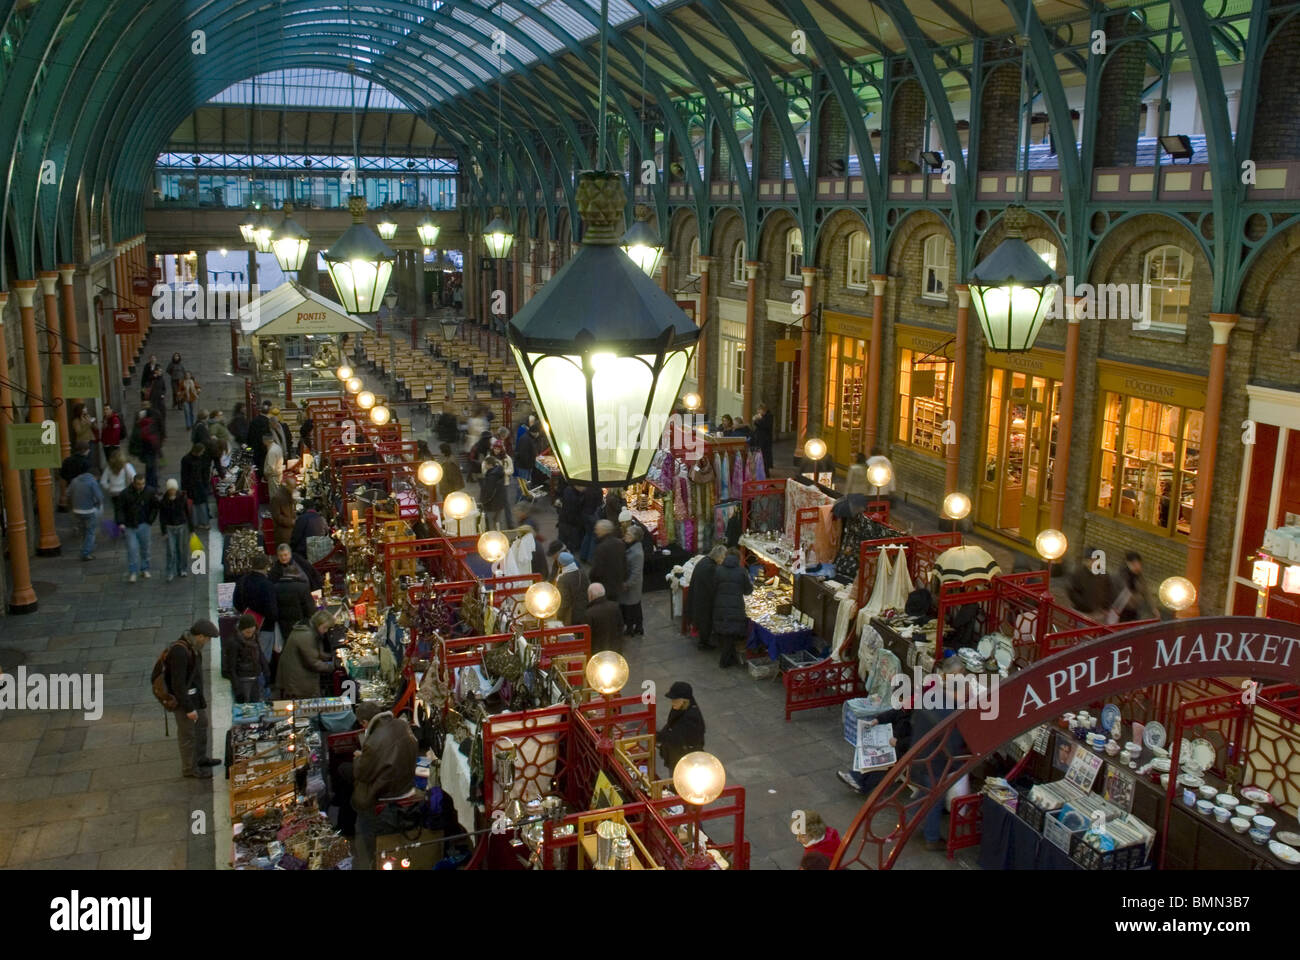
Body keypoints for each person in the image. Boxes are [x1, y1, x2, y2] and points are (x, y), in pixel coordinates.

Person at [351, 705, 420, 870]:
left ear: (366, 722)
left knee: (360, 804)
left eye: (363, 724)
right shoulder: (402, 724)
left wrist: (358, 758)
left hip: (389, 792)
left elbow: (362, 773)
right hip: (407, 784)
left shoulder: (374, 741)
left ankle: (372, 858)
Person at [164, 619, 222, 778]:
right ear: (200, 636)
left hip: (195, 697)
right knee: (187, 734)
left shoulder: (194, 647)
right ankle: (189, 769)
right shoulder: (180, 651)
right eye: (208, 639)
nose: (208, 642)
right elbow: (178, 684)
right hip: (184, 702)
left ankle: (201, 758)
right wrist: (189, 708)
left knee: (201, 726)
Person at [836, 705, 913, 795]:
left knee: (883, 761)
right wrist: (878, 719)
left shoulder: (919, 714)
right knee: (870, 751)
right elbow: (894, 713)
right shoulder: (907, 708)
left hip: (905, 748)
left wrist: (899, 743)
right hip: (894, 739)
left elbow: (917, 738)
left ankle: (861, 783)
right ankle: (857, 779)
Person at [233, 553, 278, 691]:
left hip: (245, 625)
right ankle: (262, 691)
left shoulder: (242, 581)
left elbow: (236, 602)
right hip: (265, 628)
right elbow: (272, 612)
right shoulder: (267, 585)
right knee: (262, 660)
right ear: (266, 567)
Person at [274, 609, 335, 699]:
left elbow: (314, 652)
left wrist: (329, 657)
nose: (326, 631)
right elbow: (313, 663)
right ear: (318, 623)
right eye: (325, 627)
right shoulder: (307, 635)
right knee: (305, 705)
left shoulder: (307, 630)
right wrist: (332, 666)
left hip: (295, 675)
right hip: (297, 680)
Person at [712, 547, 753, 668]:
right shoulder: (742, 571)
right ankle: (724, 662)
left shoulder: (718, 570)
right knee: (731, 633)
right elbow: (748, 591)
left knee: (725, 633)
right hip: (736, 607)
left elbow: (713, 587)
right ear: (738, 558)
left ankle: (731, 658)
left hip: (720, 606)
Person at [656, 681, 705, 776]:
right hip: (674, 757)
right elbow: (670, 725)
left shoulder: (692, 718)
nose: (672, 702)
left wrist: (662, 738)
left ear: (684, 700)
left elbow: (679, 738)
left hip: (683, 762)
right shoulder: (678, 707)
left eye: (675, 700)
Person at [117, 472, 157, 582]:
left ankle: (144, 568)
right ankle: (133, 571)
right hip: (130, 526)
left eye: (142, 484)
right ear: (134, 483)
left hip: (144, 524)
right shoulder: (125, 494)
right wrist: (121, 522)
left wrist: (150, 520)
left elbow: (155, 507)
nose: (141, 486)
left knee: (145, 549)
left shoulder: (149, 492)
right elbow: (120, 509)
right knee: (132, 549)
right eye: (139, 484)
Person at [690, 544, 726, 650]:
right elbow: (712, 586)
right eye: (723, 558)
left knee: (704, 621)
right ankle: (704, 643)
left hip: (698, 596)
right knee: (706, 621)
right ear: (719, 557)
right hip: (704, 600)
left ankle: (704, 640)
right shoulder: (710, 567)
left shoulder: (705, 561)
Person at [67, 463, 104, 561]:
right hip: (89, 510)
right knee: (90, 532)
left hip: (76, 510)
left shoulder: (75, 480)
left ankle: (84, 547)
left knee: (83, 531)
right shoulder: (93, 482)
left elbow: (68, 493)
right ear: (96, 476)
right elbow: (99, 497)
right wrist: (98, 505)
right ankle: (86, 553)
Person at [158, 478, 192, 583]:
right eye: (170, 489)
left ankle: (182, 569)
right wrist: (163, 531)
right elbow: (162, 517)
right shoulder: (164, 501)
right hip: (170, 527)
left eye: (173, 489)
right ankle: (170, 571)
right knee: (171, 551)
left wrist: (191, 528)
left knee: (181, 549)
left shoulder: (182, 498)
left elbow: (187, 513)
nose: (172, 491)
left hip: (181, 525)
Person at [229, 614, 268, 704]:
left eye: (252, 632)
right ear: (241, 629)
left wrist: (266, 670)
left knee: (257, 702)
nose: (250, 634)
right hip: (243, 679)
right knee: (245, 704)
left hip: (256, 677)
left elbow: (260, 655)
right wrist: (237, 687)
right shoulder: (234, 643)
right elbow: (231, 666)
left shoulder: (255, 638)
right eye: (247, 632)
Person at [1109, 551, 1156, 623]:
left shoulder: (1140, 577)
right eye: (1134, 564)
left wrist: (1153, 608)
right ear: (1128, 564)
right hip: (1120, 610)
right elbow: (1116, 592)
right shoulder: (1120, 576)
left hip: (1134, 610)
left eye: (1139, 564)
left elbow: (1146, 592)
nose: (1137, 567)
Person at [590, 519, 626, 601]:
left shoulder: (601, 547)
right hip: (617, 583)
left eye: (597, 529)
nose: (595, 532)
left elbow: (597, 570)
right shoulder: (620, 543)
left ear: (603, 531)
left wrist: (593, 580)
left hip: (605, 585)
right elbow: (624, 563)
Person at [584, 582, 625, 654]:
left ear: (590, 596)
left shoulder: (589, 613)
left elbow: (587, 637)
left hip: (598, 653)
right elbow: (620, 626)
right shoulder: (615, 606)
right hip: (615, 650)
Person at [619, 524, 645, 636]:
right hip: (629, 583)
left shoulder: (637, 553)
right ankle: (638, 626)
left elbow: (636, 572)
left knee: (630, 607)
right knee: (634, 606)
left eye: (628, 534)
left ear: (635, 537)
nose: (626, 535)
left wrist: (627, 584)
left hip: (631, 585)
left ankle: (631, 628)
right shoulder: (629, 545)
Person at [180, 441, 212, 530]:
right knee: (199, 505)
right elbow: (184, 474)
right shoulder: (189, 460)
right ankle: (202, 522)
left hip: (197, 485)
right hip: (194, 485)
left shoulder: (187, 459)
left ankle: (196, 522)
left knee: (196, 505)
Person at [100, 449, 136, 527]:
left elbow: (103, 482)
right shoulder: (127, 466)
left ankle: (119, 524)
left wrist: (109, 488)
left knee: (117, 510)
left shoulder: (109, 468)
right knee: (127, 509)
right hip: (125, 491)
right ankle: (126, 524)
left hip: (114, 493)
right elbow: (134, 477)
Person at [130, 408, 162, 489]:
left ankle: (151, 485)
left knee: (149, 469)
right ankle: (152, 486)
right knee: (152, 470)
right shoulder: (149, 425)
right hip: (151, 451)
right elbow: (154, 439)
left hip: (146, 452)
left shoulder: (141, 425)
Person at [555, 552, 589, 626]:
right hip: (585, 611)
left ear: (560, 564)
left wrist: (558, 616)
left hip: (572, 616)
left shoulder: (563, 579)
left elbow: (564, 602)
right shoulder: (582, 574)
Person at [478, 454, 509, 531]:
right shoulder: (499, 472)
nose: (484, 466)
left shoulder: (491, 476)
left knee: (491, 522)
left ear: (489, 465)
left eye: (485, 464)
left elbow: (489, 492)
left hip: (492, 504)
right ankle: (499, 534)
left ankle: (493, 536)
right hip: (500, 502)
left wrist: (483, 501)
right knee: (497, 521)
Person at [557, 481, 585, 554]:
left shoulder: (568, 489)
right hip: (569, 523)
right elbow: (572, 510)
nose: (585, 489)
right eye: (584, 487)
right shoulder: (573, 496)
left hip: (564, 520)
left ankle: (561, 553)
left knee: (562, 541)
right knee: (568, 542)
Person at [270, 478, 297, 549]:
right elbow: (277, 516)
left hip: (290, 529)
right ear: (287, 486)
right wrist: (291, 522)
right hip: (282, 532)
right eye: (292, 488)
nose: (293, 490)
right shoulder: (277, 498)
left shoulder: (288, 494)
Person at [247, 401, 272, 471]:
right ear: (269, 411)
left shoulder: (254, 421)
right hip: (265, 448)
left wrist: (250, 447)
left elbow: (250, 436)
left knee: (257, 468)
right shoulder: (268, 422)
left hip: (255, 449)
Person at [514, 421, 539, 489]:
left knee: (526, 484)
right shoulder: (526, 439)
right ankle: (522, 498)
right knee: (523, 485)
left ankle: (527, 496)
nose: (538, 434)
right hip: (524, 467)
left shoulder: (529, 438)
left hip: (527, 466)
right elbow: (523, 454)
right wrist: (529, 465)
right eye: (537, 432)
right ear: (533, 432)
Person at [751, 402, 774, 474]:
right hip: (759, 438)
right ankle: (759, 470)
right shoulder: (762, 417)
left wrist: (758, 420)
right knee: (759, 454)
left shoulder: (769, 416)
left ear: (763, 410)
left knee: (765, 456)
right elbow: (757, 426)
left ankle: (765, 472)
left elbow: (765, 426)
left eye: (759, 410)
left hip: (765, 439)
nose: (758, 412)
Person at [262, 432, 285, 500]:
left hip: (273, 476)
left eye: (263, 440)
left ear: (266, 441)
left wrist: (265, 474)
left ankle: (275, 510)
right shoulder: (277, 446)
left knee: (274, 496)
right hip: (278, 473)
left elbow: (270, 467)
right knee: (278, 493)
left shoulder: (271, 451)